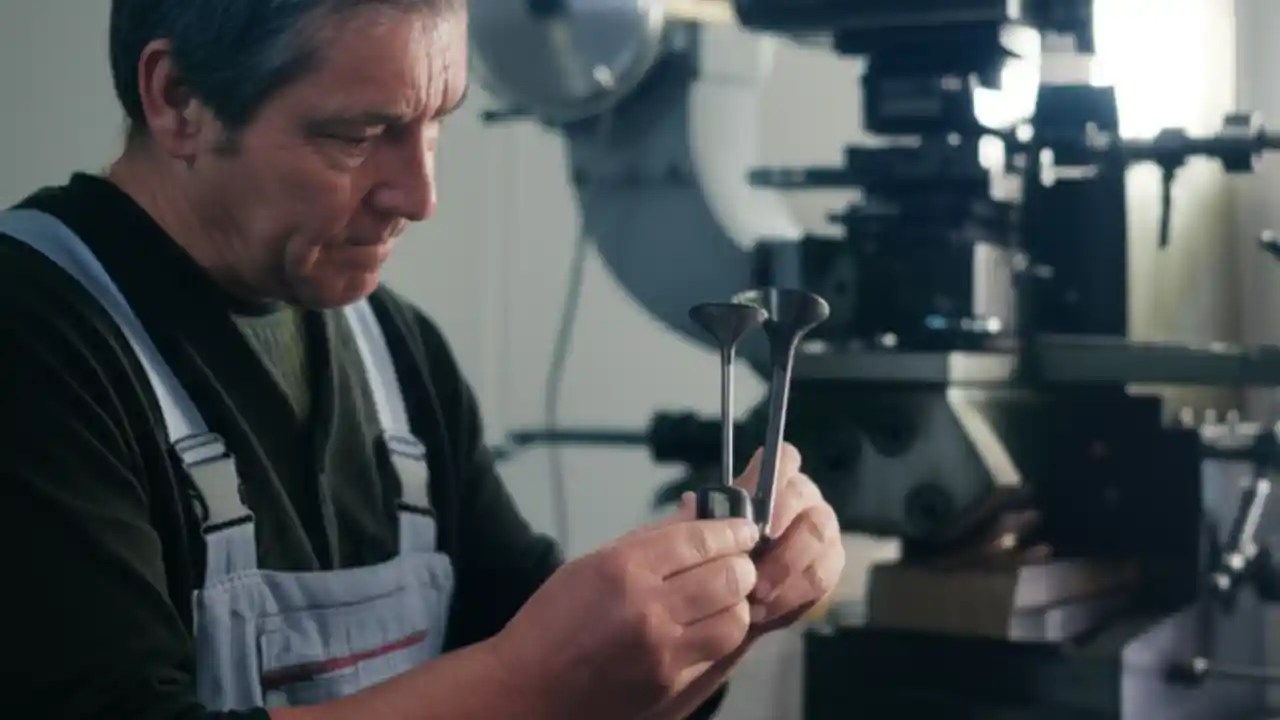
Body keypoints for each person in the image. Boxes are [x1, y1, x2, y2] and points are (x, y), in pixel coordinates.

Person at [0, 1, 847, 718]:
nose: (421, 196)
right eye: (361, 134)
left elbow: (573, 688)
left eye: (436, 123)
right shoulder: (36, 332)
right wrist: (525, 677)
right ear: (179, 101)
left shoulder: (393, 352)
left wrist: (729, 611)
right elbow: (531, 680)